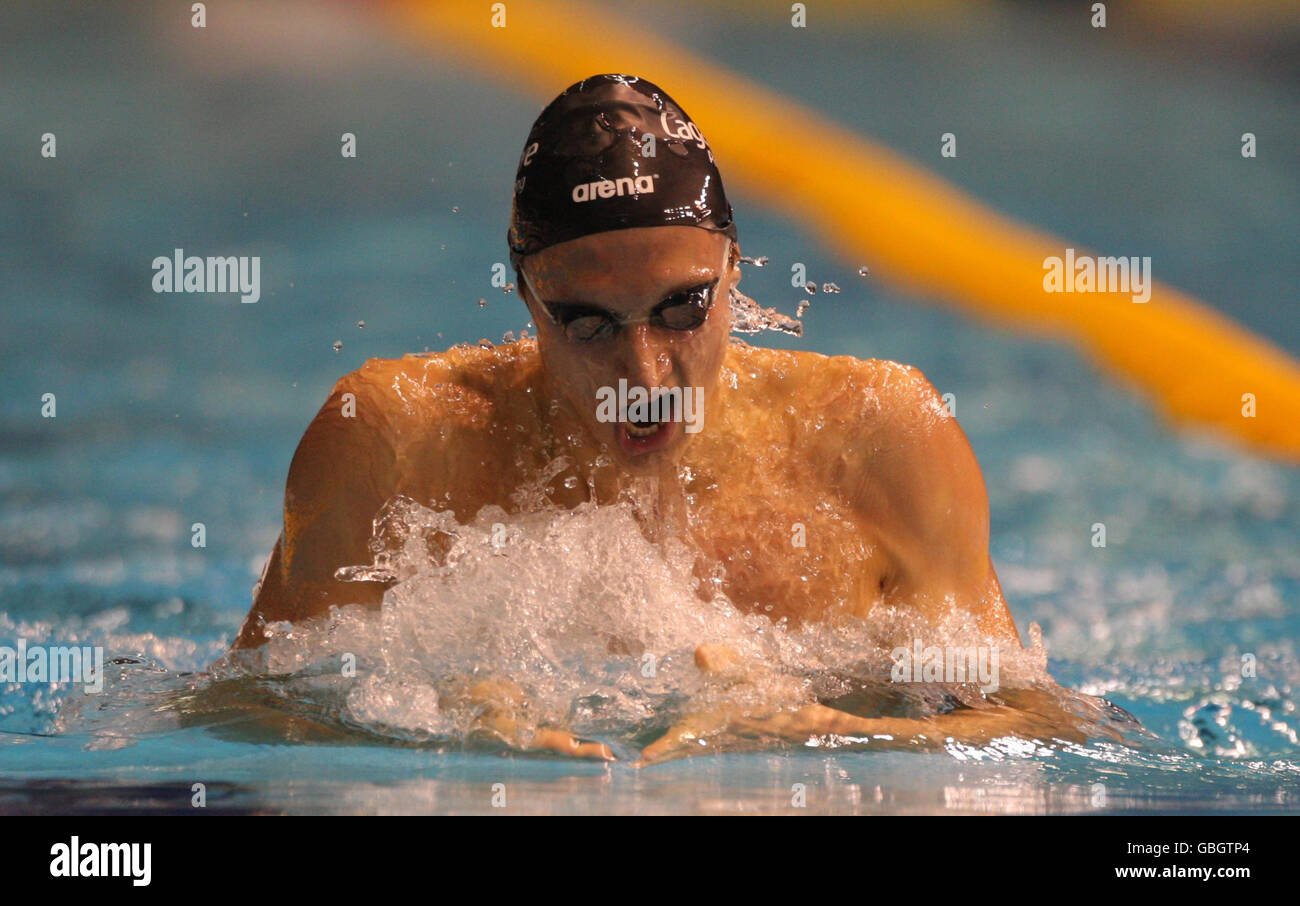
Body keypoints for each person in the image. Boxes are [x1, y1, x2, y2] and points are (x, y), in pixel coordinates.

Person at [235, 74, 1100, 762]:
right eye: (588, 323)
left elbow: (1045, 729)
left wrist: (828, 735)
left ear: (735, 270)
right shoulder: (395, 441)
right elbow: (245, 714)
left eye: (684, 308)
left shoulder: (880, 436)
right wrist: (432, 730)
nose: (643, 373)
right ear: (527, 299)